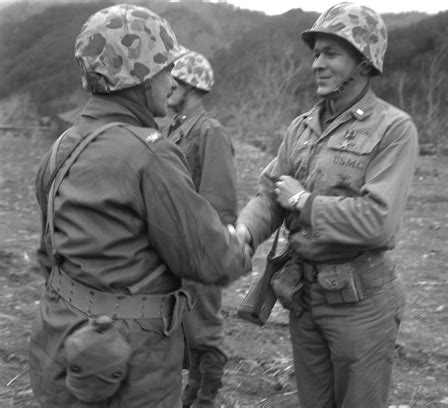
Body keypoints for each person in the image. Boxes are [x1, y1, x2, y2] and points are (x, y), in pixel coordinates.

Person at [29, 4, 251, 408]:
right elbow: (209, 259)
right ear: (139, 78)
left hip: (60, 345)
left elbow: (49, 256)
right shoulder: (151, 155)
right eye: (164, 69)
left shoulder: (61, 147)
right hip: (128, 368)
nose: (170, 81)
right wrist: (243, 240)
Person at [236, 2, 419, 407]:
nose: (317, 64)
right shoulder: (302, 127)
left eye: (331, 54)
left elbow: (378, 222)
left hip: (361, 303)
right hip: (305, 297)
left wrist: (303, 201)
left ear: (364, 63)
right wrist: (245, 231)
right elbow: (270, 195)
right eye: (316, 53)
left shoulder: (393, 129)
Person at [165, 51, 238, 408]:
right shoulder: (173, 128)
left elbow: (220, 203)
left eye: (173, 84)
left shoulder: (210, 133)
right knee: (186, 331)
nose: (167, 90)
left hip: (199, 250)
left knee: (204, 332)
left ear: (190, 88)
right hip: (175, 251)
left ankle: (206, 397)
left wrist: (207, 254)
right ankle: (192, 392)